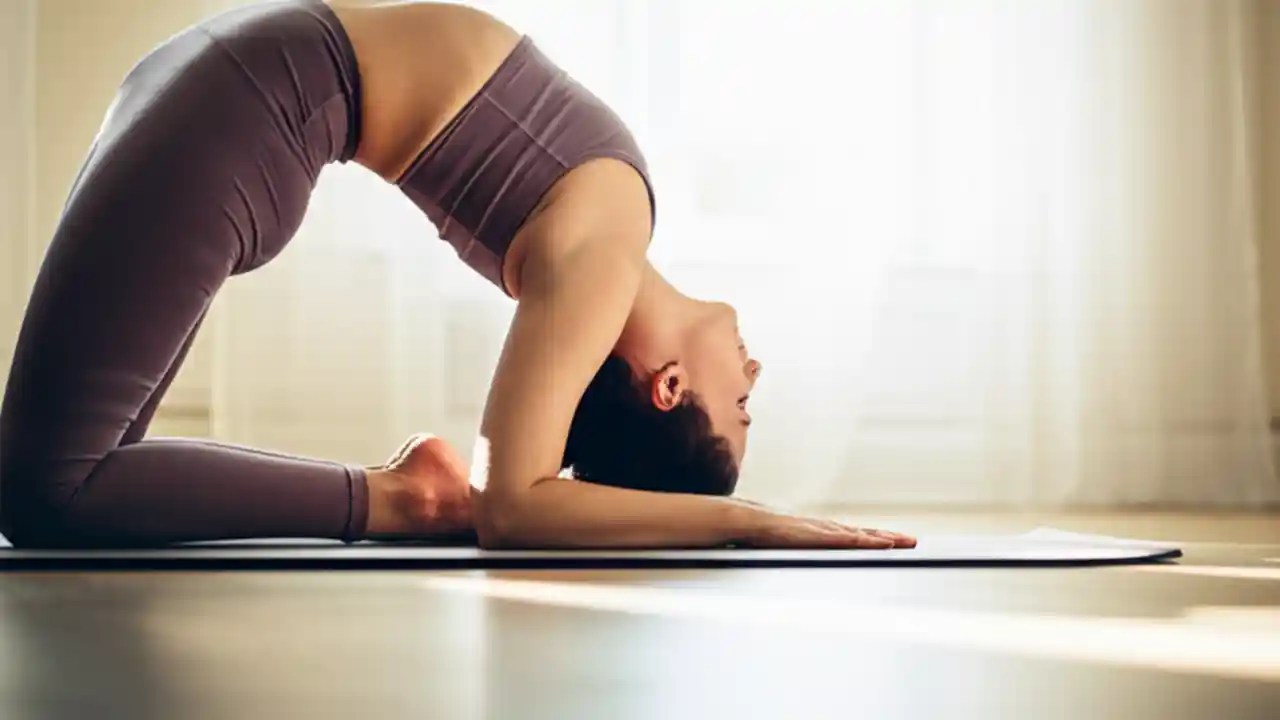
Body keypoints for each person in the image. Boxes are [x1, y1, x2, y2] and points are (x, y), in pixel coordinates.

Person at [0, 0, 915, 551]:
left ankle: (400, 495)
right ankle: (397, 495)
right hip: (244, 97)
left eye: (742, 402)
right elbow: (517, 501)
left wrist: (745, 521)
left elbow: (509, 505)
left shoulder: (596, 259)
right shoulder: (604, 246)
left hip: (241, 104)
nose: (756, 370)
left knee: (57, 487)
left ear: (668, 387)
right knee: (73, 485)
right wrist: (747, 519)